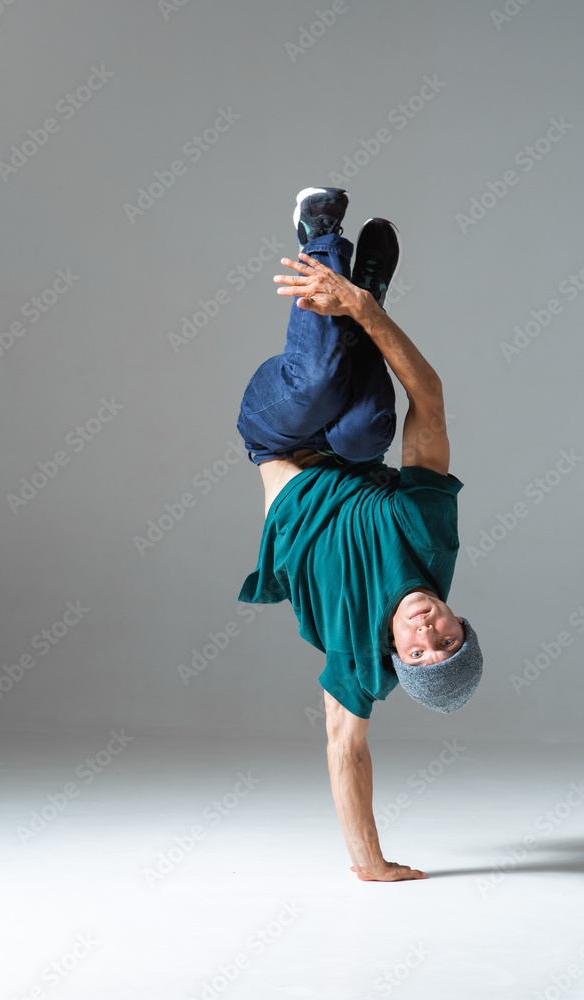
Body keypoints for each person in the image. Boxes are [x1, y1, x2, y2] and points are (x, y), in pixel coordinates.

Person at [236, 188, 483, 882]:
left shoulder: (356, 655)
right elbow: (429, 399)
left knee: (316, 379)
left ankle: (320, 235)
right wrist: (369, 314)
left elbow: (346, 748)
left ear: (396, 658)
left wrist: (369, 864)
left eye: (420, 653)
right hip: (350, 439)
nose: (428, 632)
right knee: (370, 428)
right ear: (461, 621)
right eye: (449, 640)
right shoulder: (429, 539)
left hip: (277, 436)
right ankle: (360, 301)